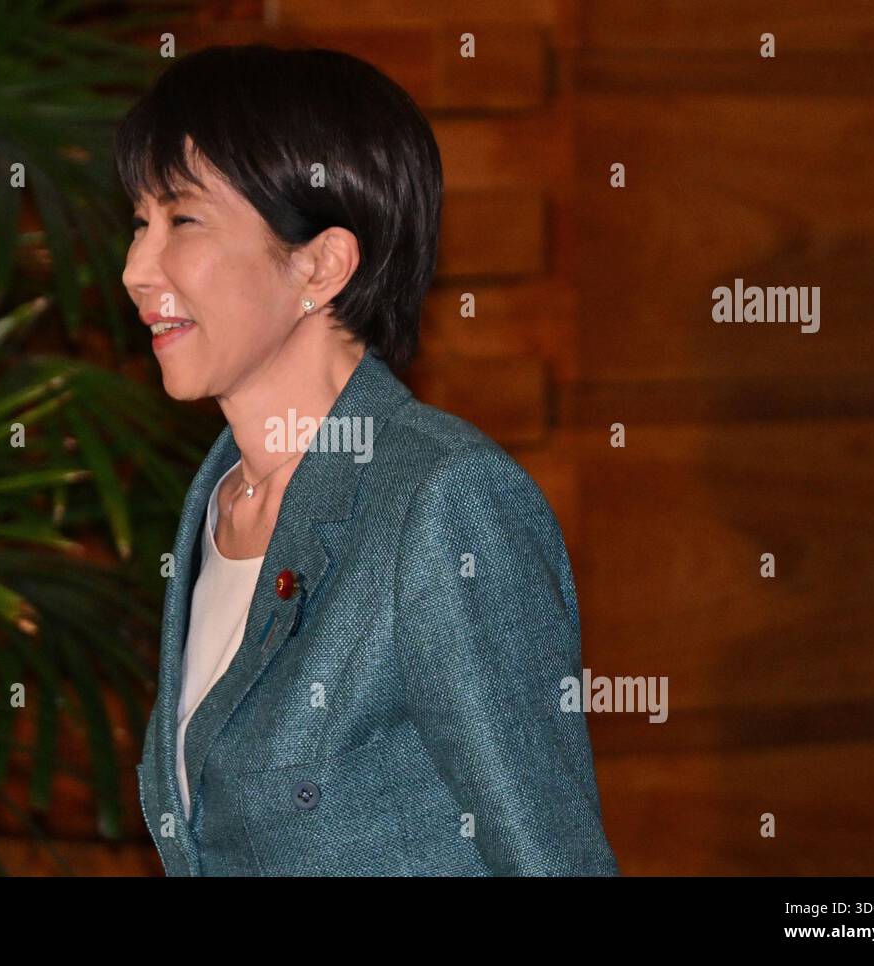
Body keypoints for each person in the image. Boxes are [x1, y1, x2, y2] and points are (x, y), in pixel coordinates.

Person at [118, 44, 618, 876]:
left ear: (320, 263)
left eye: (183, 220)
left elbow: (549, 858)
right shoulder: (217, 502)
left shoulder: (442, 500)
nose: (137, 268)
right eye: (139, 222)